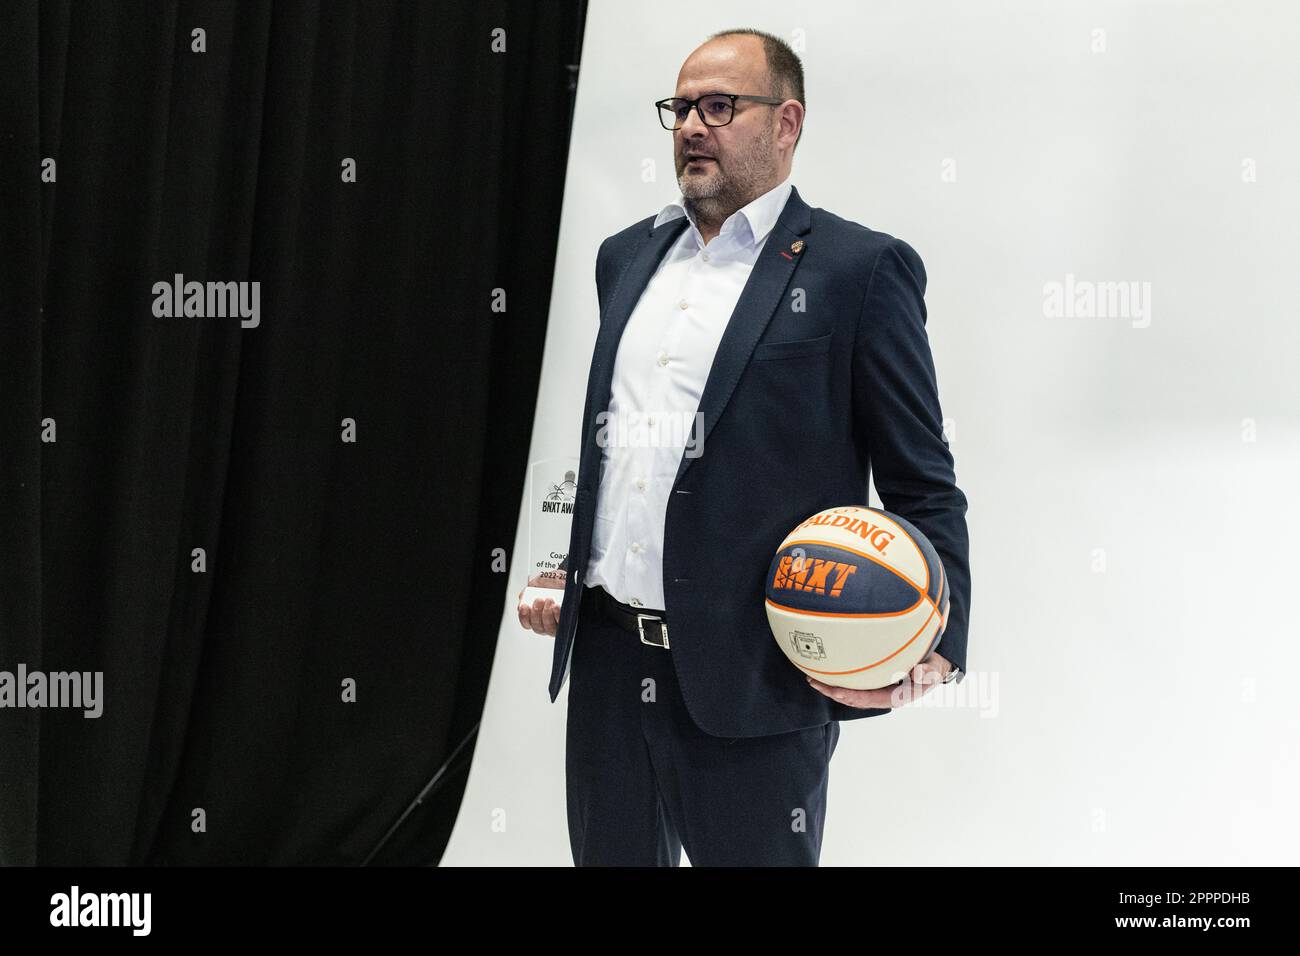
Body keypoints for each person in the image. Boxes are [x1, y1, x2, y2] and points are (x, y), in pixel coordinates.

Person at [518, 28, 970, 866]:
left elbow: (924, 480)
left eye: (720, 106)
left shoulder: (857, 270)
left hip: (755, 678)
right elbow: (621, 453)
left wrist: (936, 648)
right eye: (681, 107)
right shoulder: (626, 257)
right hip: (610, 672)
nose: (693, 124)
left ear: (786, 123)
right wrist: (566, 562)